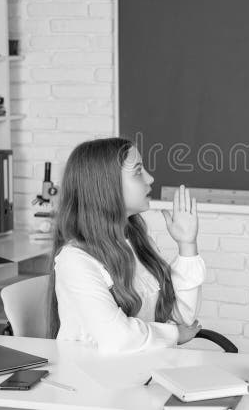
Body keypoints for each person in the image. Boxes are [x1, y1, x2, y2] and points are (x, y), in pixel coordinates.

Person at [47, 137, 205, 354]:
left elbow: (183, 317)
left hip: (140, 371)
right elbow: (118, 338)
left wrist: (187, 245)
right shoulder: (74, 261)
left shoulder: (136, 242)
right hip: (92, 380)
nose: (150, 178)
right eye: (138, 171)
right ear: (104, 186)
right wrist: (174, 335)